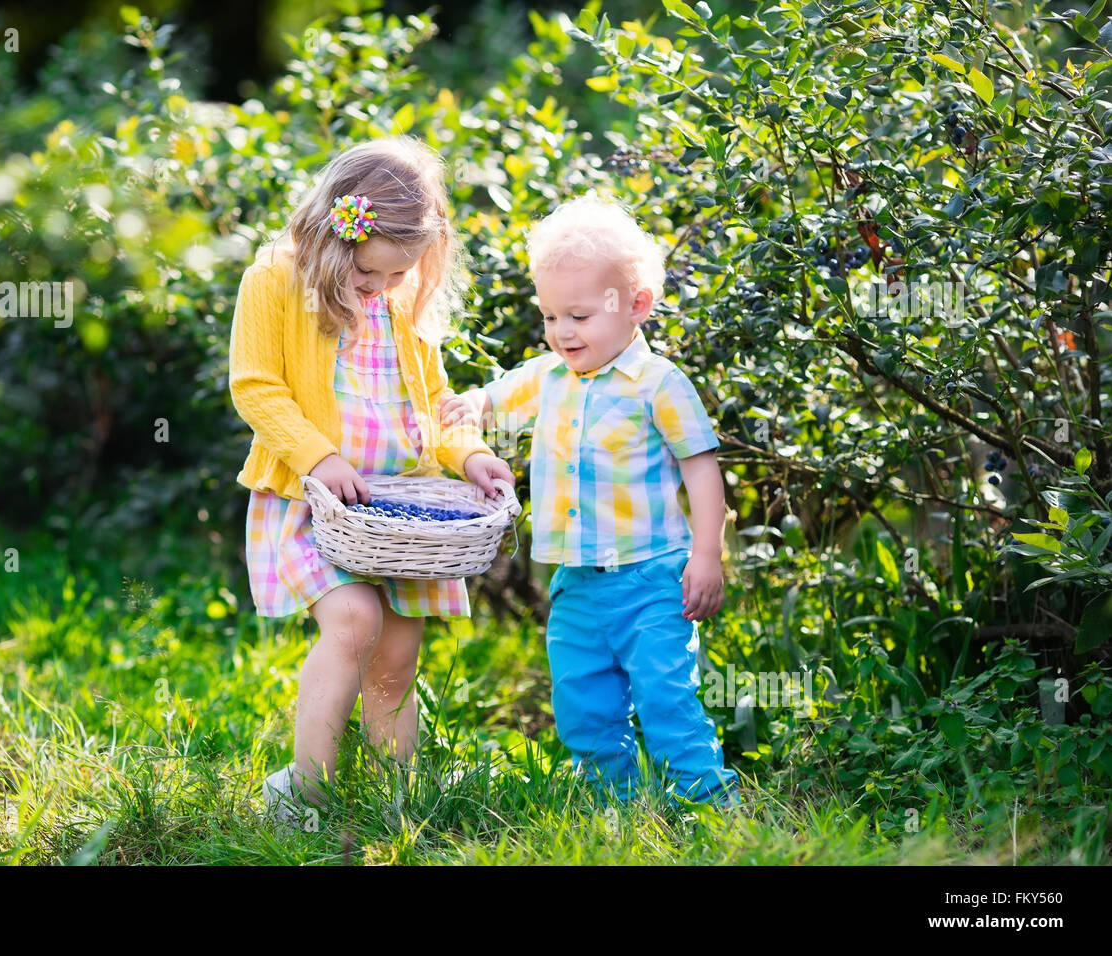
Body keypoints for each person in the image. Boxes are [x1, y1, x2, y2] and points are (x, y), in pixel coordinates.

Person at [228, 137, 515, 823]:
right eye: (367, 277)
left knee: (397, 653)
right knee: (353, 622)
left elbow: (436, 413)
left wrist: (470, 454)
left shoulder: (400, 300)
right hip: (314, 499)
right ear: (335, 239)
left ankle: (398, 798)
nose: (380, 290)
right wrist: (319, 456)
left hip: (398, 519)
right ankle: (306, 790)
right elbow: (256, 387)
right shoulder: (275, 277)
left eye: (395, 277)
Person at [441, 194, 739, 807]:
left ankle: (707, 803)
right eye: (550, 316)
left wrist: (706, 554)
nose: (560, 332)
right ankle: (614, 805)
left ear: (636, 307)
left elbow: (703, 471)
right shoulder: (549, 376)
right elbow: (493, 398)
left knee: (665, 695)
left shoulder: (661, 386)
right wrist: (471, 406)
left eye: (577, 315)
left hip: (654, 576)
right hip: (576, 583)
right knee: (581, 701)